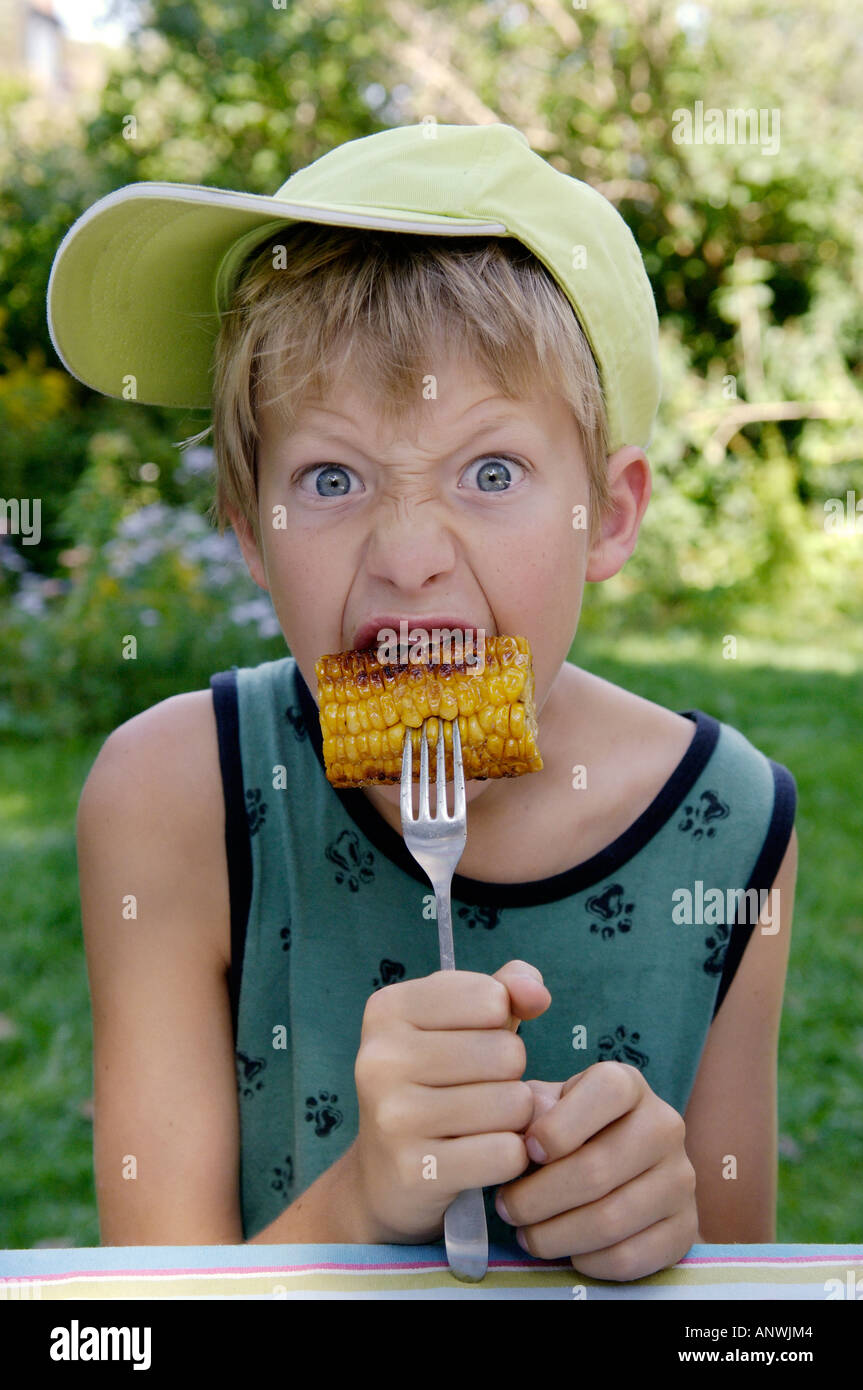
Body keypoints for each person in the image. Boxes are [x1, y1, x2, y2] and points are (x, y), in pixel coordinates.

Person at [52, 122, 797, 1281]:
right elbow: (148, 1324)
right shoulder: (169, 796)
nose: (407, 555)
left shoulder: (733, 820)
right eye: (332, 478)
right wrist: (362, 1194)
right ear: (252, 532)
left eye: (489, 472)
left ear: (606, 515)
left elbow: (749, 1320)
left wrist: (667, 1234)